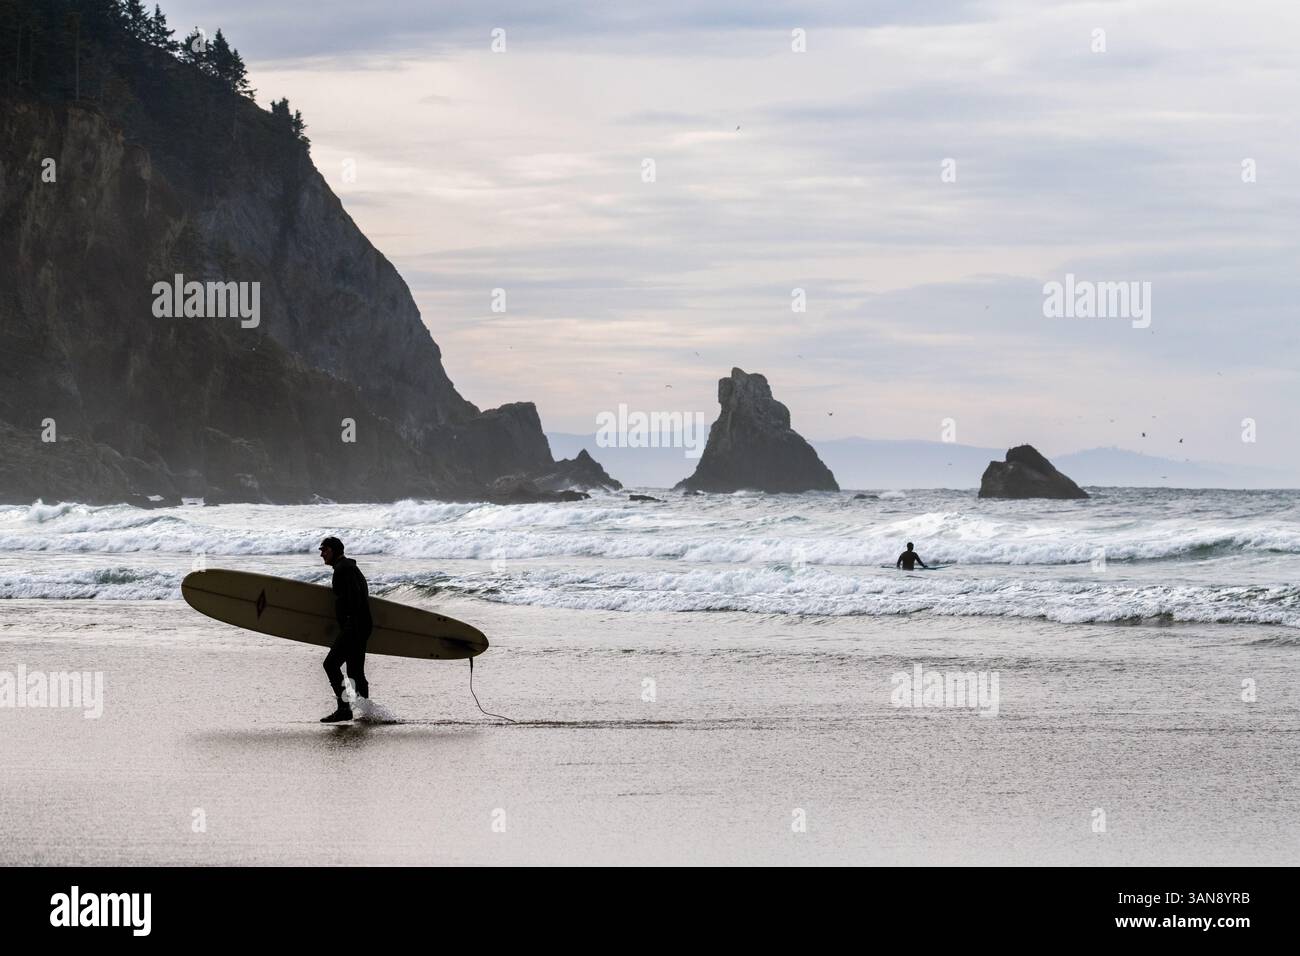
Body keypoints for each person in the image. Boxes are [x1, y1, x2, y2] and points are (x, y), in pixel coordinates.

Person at [318, 536, 372, 723]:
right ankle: (367, 713)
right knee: (355, 672)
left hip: (353, 627)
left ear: (333, 550)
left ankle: (344, 709)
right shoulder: (350, 568)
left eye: (324, 550)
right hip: (360, 626)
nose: (322, 554)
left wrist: (349, 625)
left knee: (330, 664)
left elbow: (355, 598)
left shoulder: (343, 570)